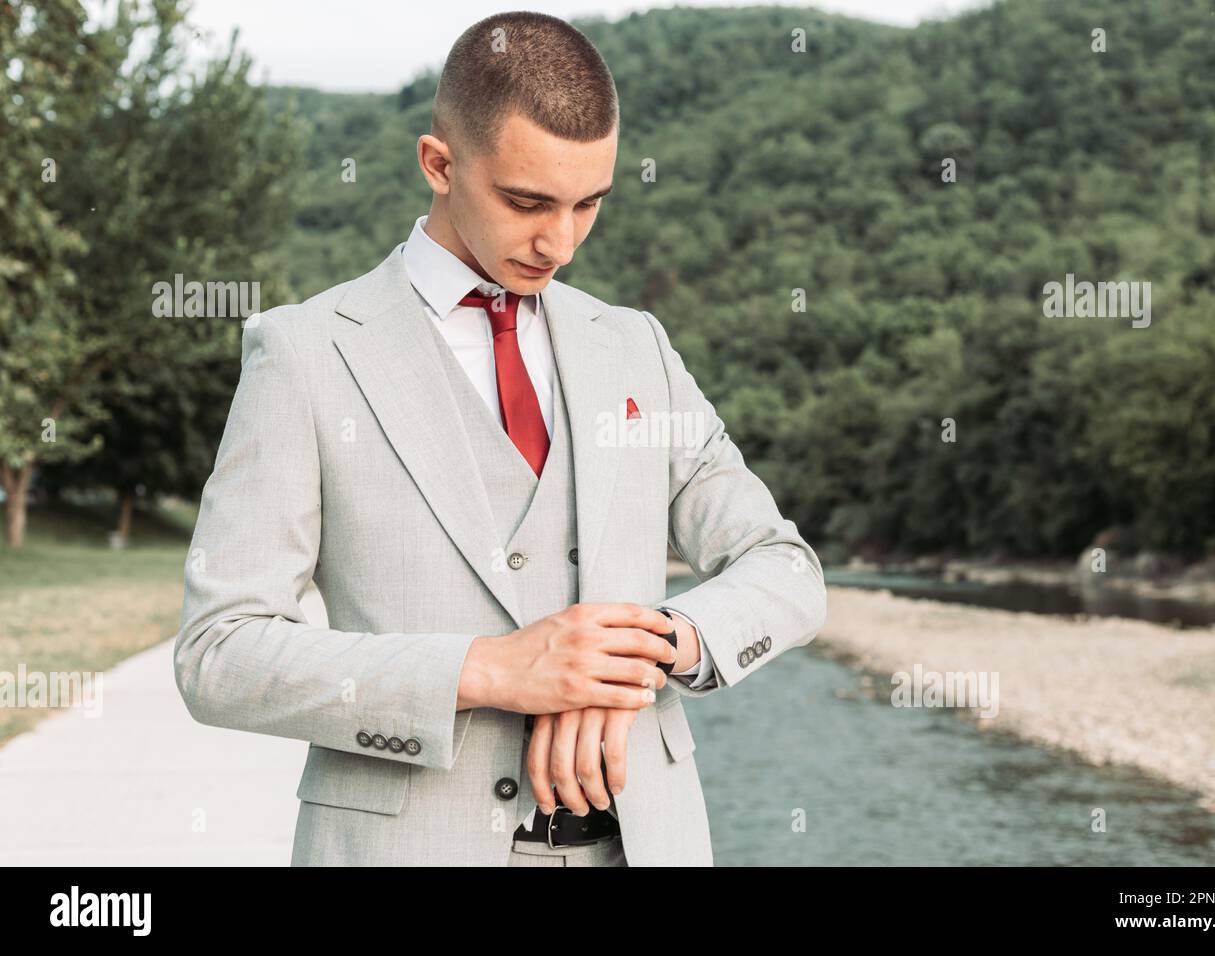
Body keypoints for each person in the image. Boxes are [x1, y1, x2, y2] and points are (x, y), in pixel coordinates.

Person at [174, 10, 826, 867]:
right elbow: (220, 652)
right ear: (439, 164)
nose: (559, 241)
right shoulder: (305, 354)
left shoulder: (637, 348)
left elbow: (785, 568)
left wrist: (644, 650)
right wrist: (485, 670)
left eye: (588, 203)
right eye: (527, 202)